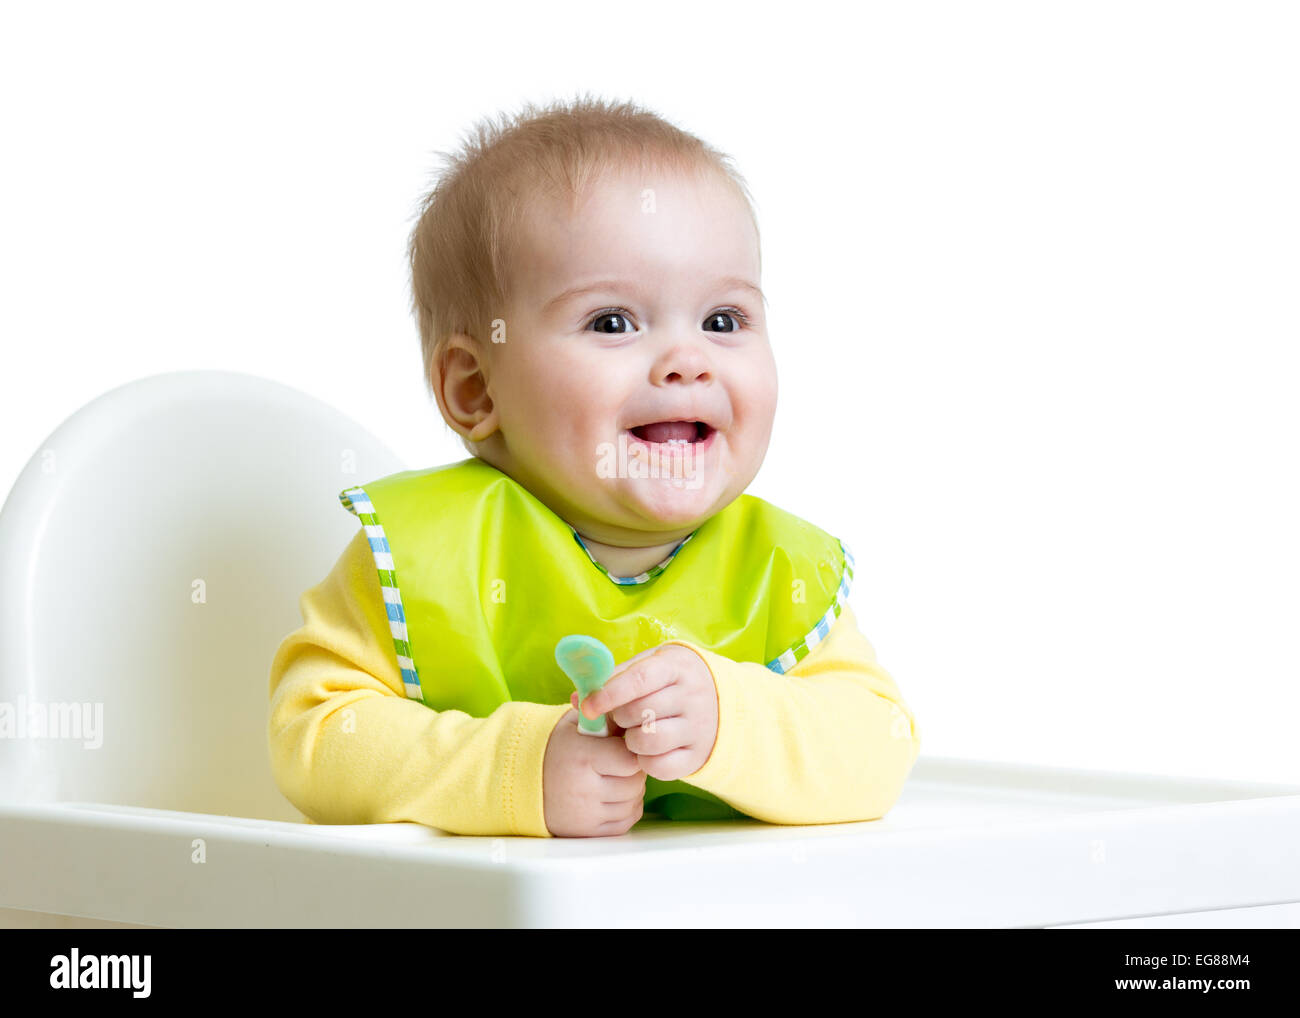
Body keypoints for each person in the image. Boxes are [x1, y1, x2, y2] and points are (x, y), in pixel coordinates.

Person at [267, 94, 921, 838]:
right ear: (476, 388)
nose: (687, 361)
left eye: (723, 320)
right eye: (613, 322)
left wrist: (731, 720)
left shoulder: (778, 570)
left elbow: (881, 745)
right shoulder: (426, 554)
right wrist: (515, 769)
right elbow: (313, 738)